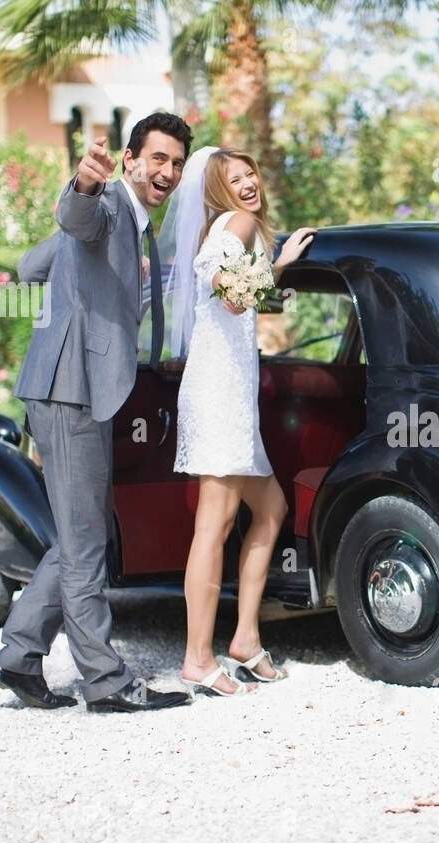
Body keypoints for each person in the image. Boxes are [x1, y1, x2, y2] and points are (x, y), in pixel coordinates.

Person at [0, 112, 194, 713]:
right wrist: (82, 186)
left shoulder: (127, 225)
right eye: (157, 159)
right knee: (85, 544)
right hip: (73, 387)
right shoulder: (107, 205)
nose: (168, 172)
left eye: (177, 163)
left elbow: (31, 268)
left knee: (85, 533)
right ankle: (105, 682)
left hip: (68, 388)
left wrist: (100, 266)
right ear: (130, 160)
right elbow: (78, 216)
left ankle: (18, 655)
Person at [165, 147, 317, 697]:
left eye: (250, 173)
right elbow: (234, 299)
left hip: (223, 388)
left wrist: (273, 267)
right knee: (215, 522)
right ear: (218, 191)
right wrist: (276, 268)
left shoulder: (218, 232)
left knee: (270, 507)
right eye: (235, 178)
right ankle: (197, 659)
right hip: (220, 392)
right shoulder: (241, 222)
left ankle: (245, 639)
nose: (249, 182)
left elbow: (231, 292)